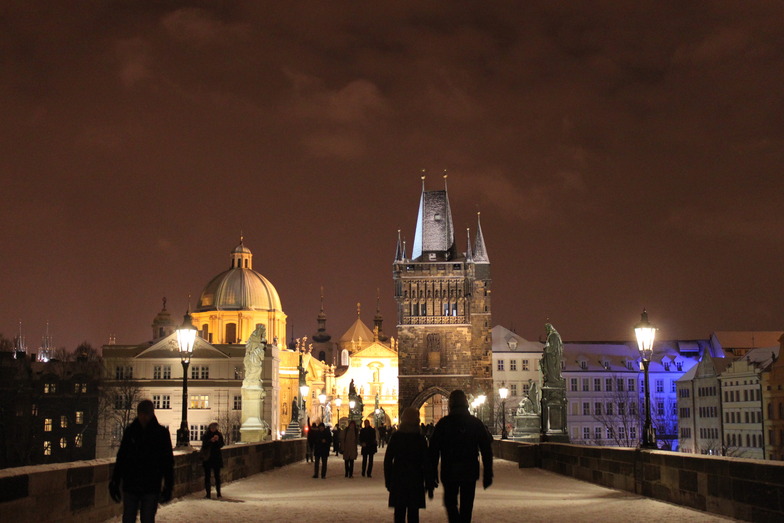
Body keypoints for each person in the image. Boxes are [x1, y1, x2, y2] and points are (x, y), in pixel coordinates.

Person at [428, 390, 493, 523]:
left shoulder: (443, 424)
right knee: (467, 505)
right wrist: (488, 473)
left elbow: (433, 451)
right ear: (466, 403)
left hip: (449, 470)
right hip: (469, 470)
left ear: (451, 404)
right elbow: (486, 449)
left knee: (450, 503)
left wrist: (431, 474)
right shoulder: (475, 423)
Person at [109, 399, 174, 523]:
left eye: (146, 415)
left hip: (150, 485)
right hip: (132, 484)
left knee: (147, 518)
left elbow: (167, 462)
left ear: (151, 414)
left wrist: (168, 485)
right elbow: (121, 458)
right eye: (141, 415)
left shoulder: (160, 433)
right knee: (129, 518)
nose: (143, 418)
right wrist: (115, 481)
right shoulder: (131, 431)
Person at [385, 407, 435, 523]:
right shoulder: (420, 439)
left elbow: (388, 460)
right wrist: (429, 483)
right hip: (415, 479)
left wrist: (389, 480)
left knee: (399, 513)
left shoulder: (396, 437)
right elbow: (426, 463)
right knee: (413, 514)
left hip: (399, 479)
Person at [200, 422, 224, 499]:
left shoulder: (219, 434)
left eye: (215, 427)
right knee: (207, 476)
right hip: (208, 458)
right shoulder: (206, 435)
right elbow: (204, 445)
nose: (213, 428)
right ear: (210, 427)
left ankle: (219, 493)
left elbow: (221, 444)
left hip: (216, 458)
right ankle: (208, 494)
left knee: (217, 476)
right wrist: (211, 441)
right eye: (212, 427)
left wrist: (217, 441)